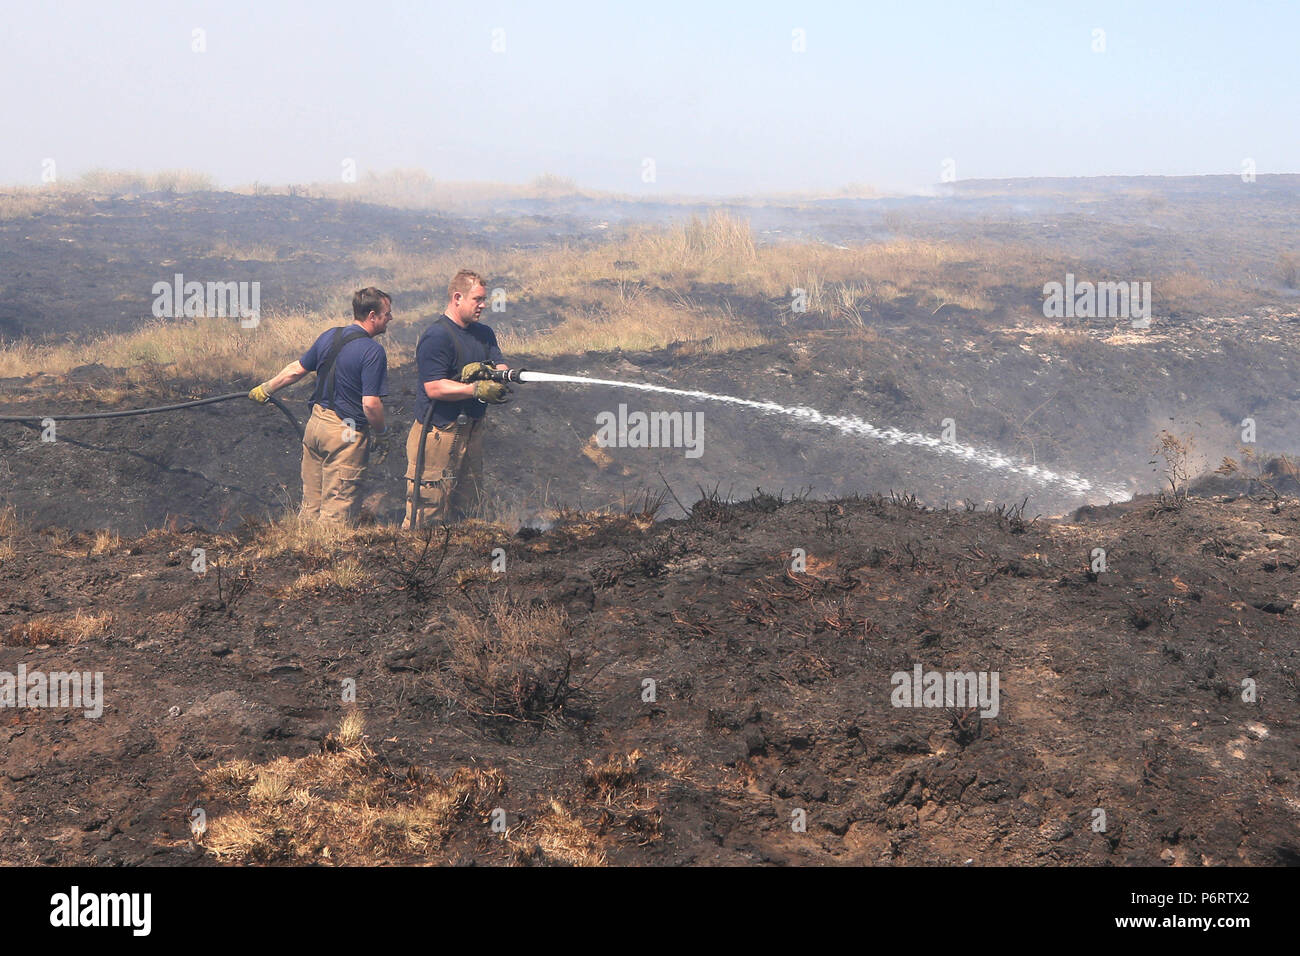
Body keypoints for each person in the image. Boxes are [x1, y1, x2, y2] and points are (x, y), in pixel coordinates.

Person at [249, 287, 392, 525]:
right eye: (387, 313)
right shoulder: (373, 351)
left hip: (316, 427)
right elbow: (370, 404)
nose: (390, 318)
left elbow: (296, 370)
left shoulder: (330, 336)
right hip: (345, 434)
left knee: (310, 509)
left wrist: (266, 388)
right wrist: (382, 433)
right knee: (337, 515)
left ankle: (301, 555)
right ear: (372, 316)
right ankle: (329, 559)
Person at [404, 270, 510, 528]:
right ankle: (418, 559)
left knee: (468, 504)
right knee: (429, 508)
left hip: (472, 430)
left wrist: (497, 375)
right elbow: (435, 387)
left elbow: (499, 364)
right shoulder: (437, 336)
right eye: (477, 299)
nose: (484, 305)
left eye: (484, 299)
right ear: (457, 297)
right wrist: (476, 390)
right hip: (439, 432)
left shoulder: (484, 333)